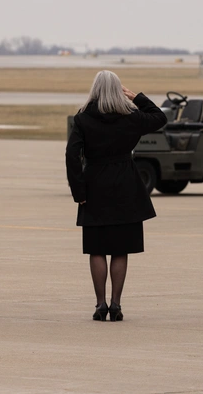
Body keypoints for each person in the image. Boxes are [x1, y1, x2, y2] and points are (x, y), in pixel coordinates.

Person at [65, 70, 167, 321]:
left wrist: (79, 191)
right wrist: (138, 97)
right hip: (126, 186)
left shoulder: (83, 118)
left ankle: (100, 305)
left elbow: (72, 157)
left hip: (94, 186)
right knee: (121, 250)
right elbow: (160, 118)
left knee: (97, 249)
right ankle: (116, 304)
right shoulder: (131, 116)